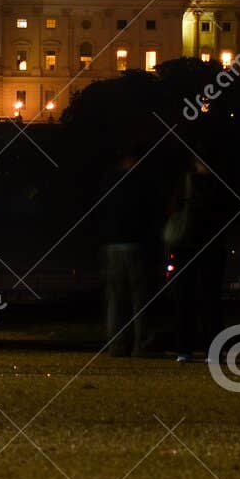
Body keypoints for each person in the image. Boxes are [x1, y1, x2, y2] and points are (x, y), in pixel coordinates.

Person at [97, 152, 164, 356]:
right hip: (137, 244)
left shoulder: (109, 183)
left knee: (116, 298)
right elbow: (153, 214)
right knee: (141, 297)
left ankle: (117, 344)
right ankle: (142, 343)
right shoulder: (143, 183)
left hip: (113, 244)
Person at [165, 156, 227, 361]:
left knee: (184, 299)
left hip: (186, 245)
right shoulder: (219, 185)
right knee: (211, 300)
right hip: (211, 245)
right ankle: (213, 349)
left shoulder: (184, 183)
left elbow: (173, 210)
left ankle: (184, 349)